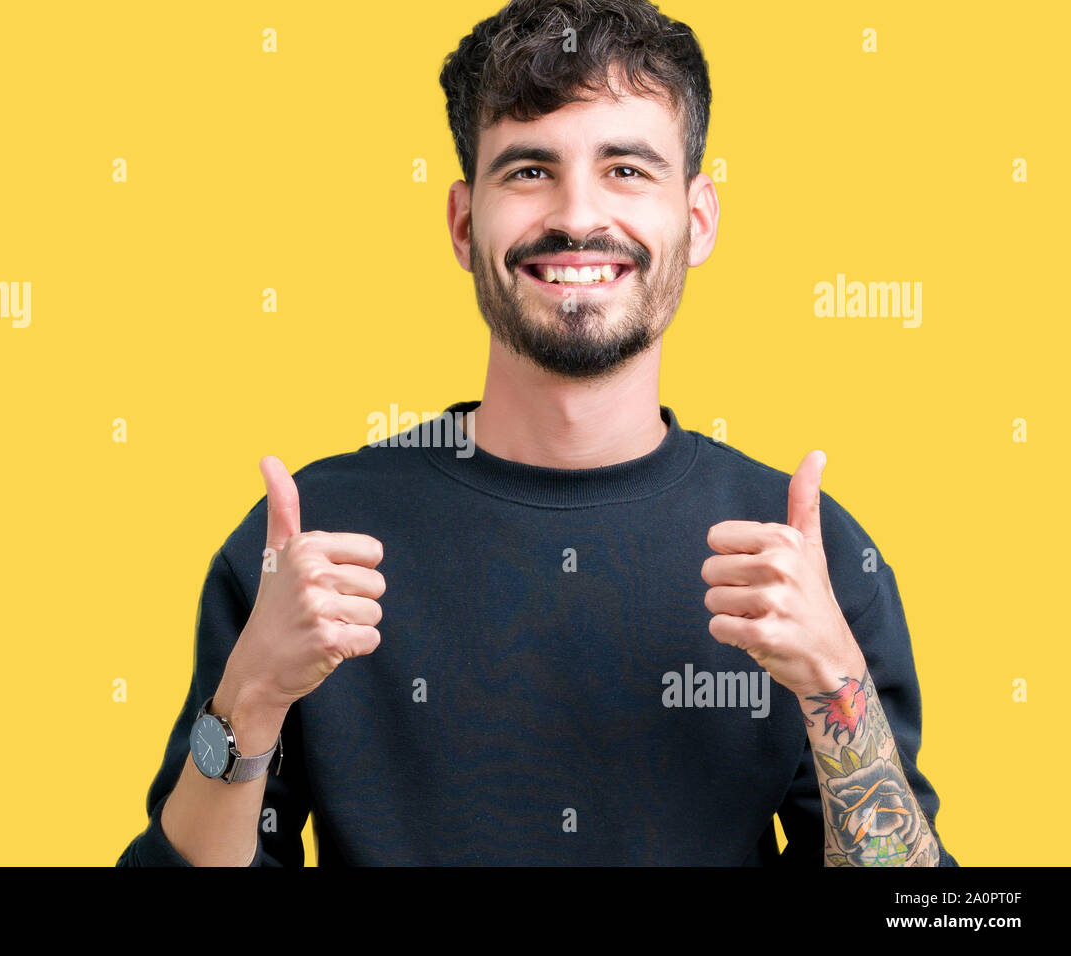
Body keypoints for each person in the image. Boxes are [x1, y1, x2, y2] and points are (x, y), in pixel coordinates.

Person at [116, 0, 955, 867]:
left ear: (698, 219)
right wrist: (247, 701)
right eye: (528, 171)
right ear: (462, 222)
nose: (577, 216)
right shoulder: (305, 543)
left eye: (627, 168)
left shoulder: (805, 556)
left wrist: (834, 686)